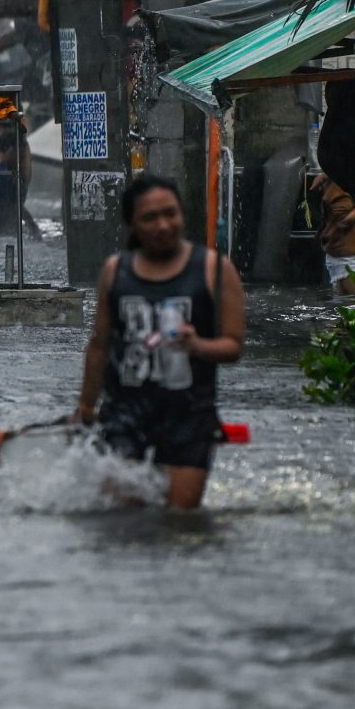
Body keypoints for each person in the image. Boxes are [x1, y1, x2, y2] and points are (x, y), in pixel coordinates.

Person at [75, 175, 246, 511]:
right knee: (122, 520)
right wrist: (84, 407)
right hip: (126, 411)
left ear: (182, 214)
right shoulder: (116, 271)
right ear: (132, 224)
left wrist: (198, 345)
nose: (163, 225)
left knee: (180, 520)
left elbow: (233, 346)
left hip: (189, 413)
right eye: (149, 218)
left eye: (171, 214)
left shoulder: (213, 269)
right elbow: (100, 344)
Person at [311, 172, 355, 296]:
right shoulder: (340, 185)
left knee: (346, 305)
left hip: (343, 252)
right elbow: (344, 221)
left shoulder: (344, 181)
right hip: (347, 254)